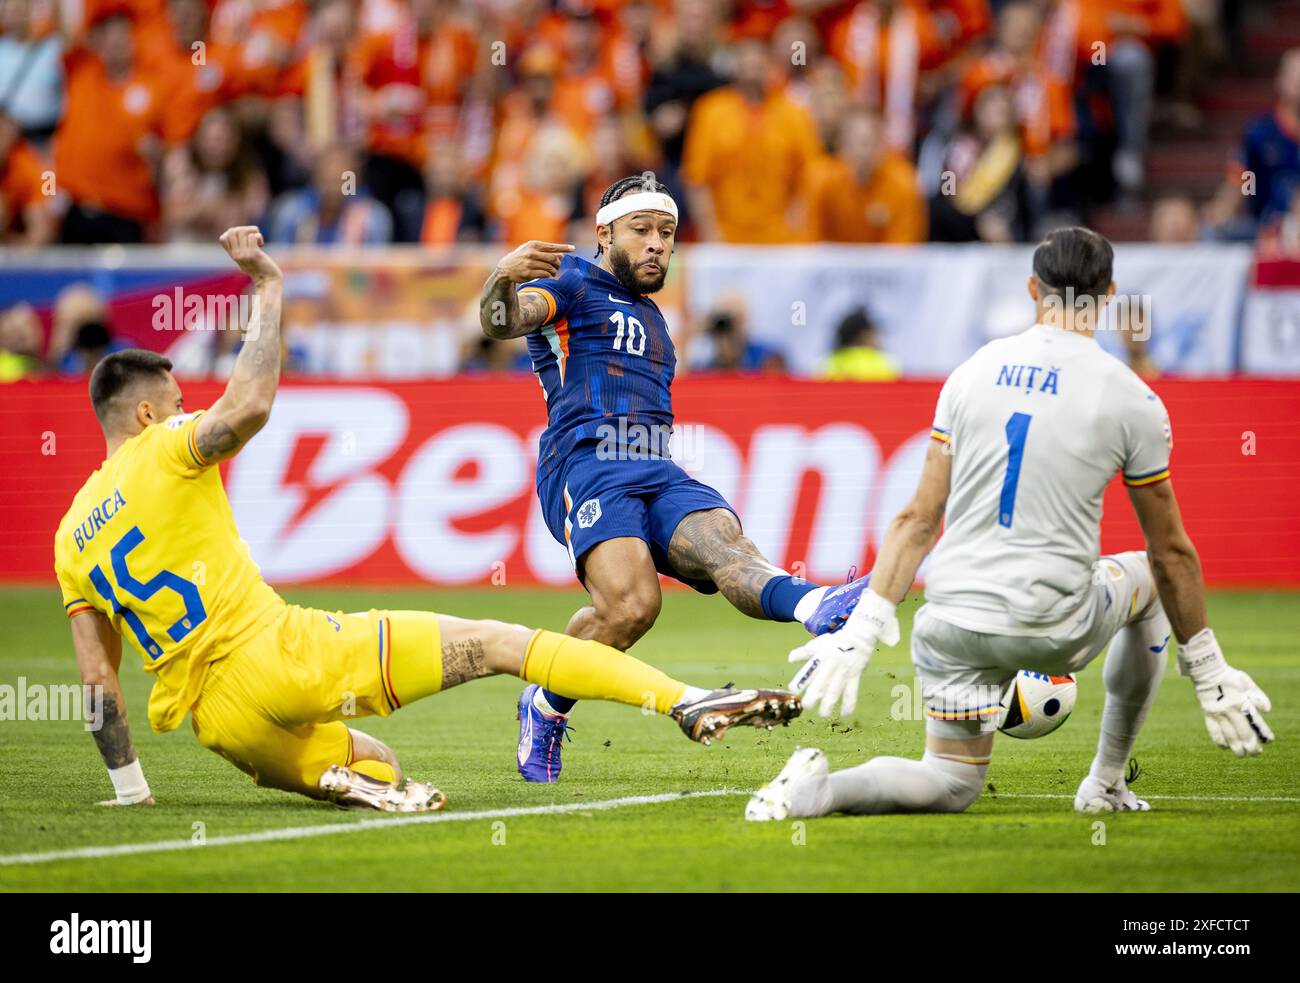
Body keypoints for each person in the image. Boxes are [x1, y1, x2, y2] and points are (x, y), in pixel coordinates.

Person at [55, 226, 801, 812]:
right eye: (178, 402)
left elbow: (98, 682)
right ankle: (682, 697)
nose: (186, 411)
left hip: (219, 722)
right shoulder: (164, 447)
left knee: (376, 761)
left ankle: (350, 783)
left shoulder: (70, 536)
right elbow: (247, 406)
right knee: (501, 642)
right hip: (281, 654)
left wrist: (129, 790)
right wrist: (269, 288)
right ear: (147, 412)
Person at [748, 226, 1274, 821]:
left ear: (1033, 288)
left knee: (947, 781)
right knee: (1147, 579)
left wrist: (864, 628)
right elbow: (1172, 553)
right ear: (1108, 294)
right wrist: (1207, 668)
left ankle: (821, 792)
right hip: (1052, 626)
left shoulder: (972, 372)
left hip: (949, 622)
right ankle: (1104, 782)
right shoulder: (1133, 399)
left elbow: (919, 518)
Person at [480, 176, 871, 782]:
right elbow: (503, 322)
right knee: (633, 605)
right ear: (604, 234)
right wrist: (502, 278)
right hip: (586, 464)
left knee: (726, 547)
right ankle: (544, 703)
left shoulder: (657, 320)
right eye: (641, 230)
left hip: (656, 464)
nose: (657, 244)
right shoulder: (573, 281)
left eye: (666, 232)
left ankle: (820, 604)